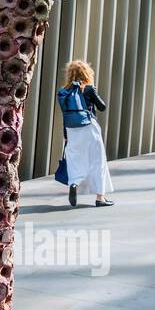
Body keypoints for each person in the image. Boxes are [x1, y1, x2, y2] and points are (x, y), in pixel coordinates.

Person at [57, 60, 114, 208]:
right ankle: (100, 198)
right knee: (97, 161)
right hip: (89, 127)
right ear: (87, 73)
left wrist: (65, 134)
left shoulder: (63, 92)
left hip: (71, 129)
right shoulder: (88, 89)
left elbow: (64, 114)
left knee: (76, 159)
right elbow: (102, 107)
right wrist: (93, 92)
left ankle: (74, 183)